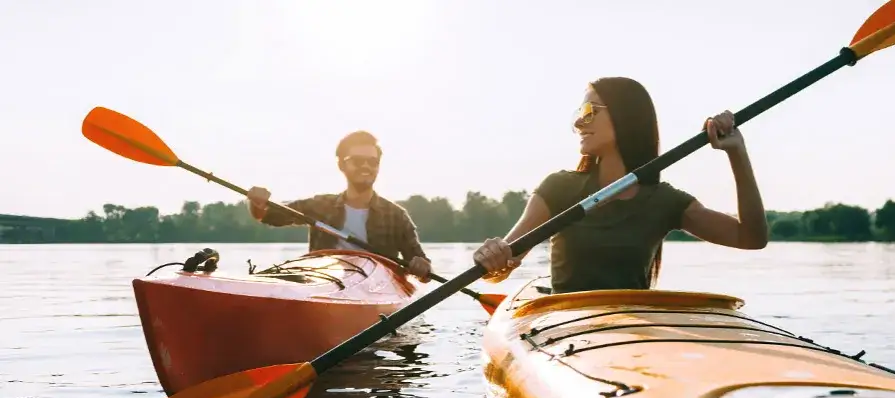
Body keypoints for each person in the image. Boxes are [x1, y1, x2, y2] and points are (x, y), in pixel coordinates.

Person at [472, 76, 769, 294]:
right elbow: (503, 267)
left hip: (632, 332)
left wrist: (736, 152)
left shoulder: (665, 201)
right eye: (579, 114)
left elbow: (751, 238)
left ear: (624, 117)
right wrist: (495, 259)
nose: (578, 124)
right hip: (564, 326)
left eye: (589, 112)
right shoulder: (558, 188)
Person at [246, 130, 433, 283]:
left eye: (372, 162)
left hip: (377, 287)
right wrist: (256, 202)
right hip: (323, 282)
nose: (366, 166)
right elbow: (266, 216)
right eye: (358, 161)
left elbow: (423, 270)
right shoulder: (319, 205)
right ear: (342, 165)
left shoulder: (396, 216)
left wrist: (422, 267)